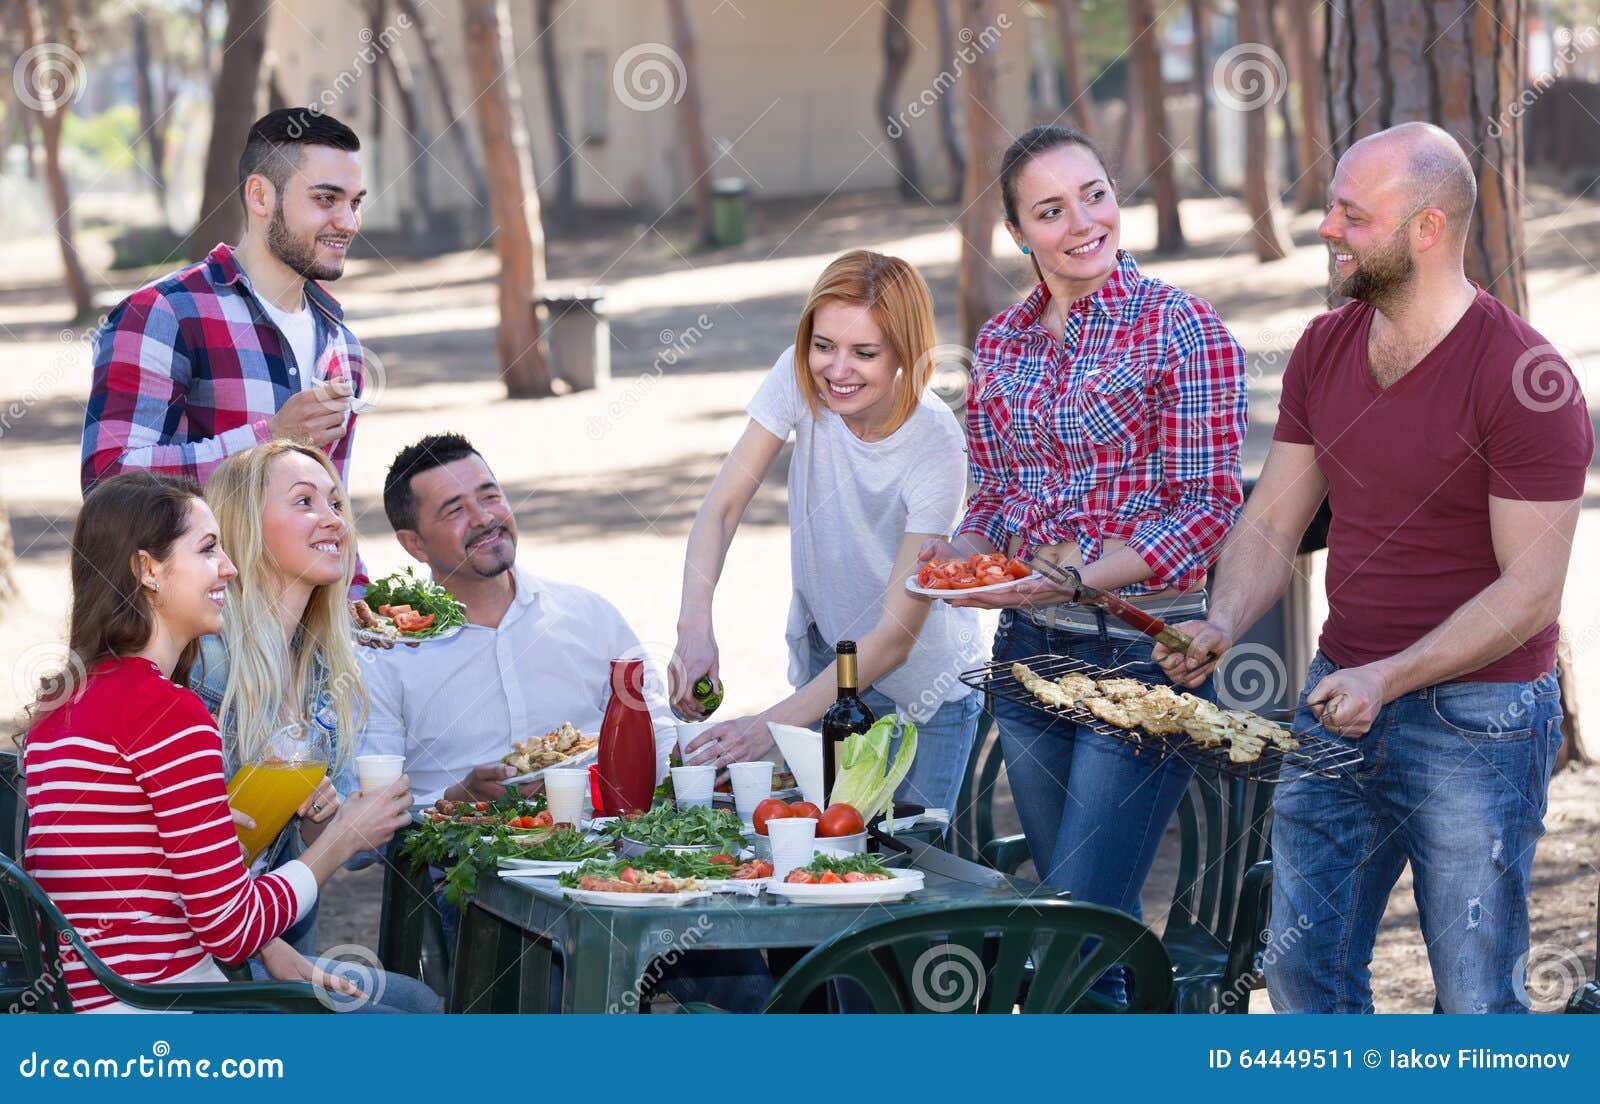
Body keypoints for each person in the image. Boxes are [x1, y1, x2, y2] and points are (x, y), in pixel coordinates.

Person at [1155, 123, 1593, 1014]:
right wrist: (1222, 621)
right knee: (1300, 972)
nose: (1326, 228)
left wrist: (1386, 678)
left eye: (1353, 216)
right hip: (1339, 696)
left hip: (1479, 717)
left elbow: (1529, 595)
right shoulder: (1325, 346)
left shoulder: (1524, 380)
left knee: (1475, 998)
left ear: (1427, 229)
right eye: (1332, 208)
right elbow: (1271, 522)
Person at [922, 125, 1247, 922]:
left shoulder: (1183, 327)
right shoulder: (1001, 342)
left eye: (1094, 196)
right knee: (1086, 923)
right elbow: (995, 498)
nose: (1083, 223)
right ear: (1017, 233)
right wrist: (956, 555)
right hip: (1027, 655)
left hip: (1143, 652)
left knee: (1078, 917)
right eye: (1051, 210)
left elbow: (1207, 508)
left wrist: (1077, 581)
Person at [21, 472, 415, 1013]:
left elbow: (126, 865)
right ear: (149, 570)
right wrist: (341, 840)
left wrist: (204, 833)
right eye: (208, 550)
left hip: (92, 1005)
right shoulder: (167, 712)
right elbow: (232, 931)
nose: (229, 568)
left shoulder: (65, 700)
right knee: (423, 1024)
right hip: (161, 1017)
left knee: (413, 1005)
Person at [670, 250, 982, 818]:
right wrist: (694, 631)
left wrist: (766, 726)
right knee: (821, 850)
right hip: (828, 661)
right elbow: (721, 509)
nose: (838, 371)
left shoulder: (937, 445)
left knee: (906, 861)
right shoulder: (798, 377)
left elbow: (894, 638)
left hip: (922, 692)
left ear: (906, 352)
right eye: (824, 346)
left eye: (865, 353)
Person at [357, 433, 675, 804]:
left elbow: (659, 734)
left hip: (601, 833)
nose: (484, 518)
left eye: (490, 496)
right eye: (455, 510)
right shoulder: (384, 654)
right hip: (453, 841)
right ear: (415, 544)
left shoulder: (588, 615)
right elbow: (369, 806)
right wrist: (455, 799)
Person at [81, 108, 370, 494]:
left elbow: (332, 507)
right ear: (260, 196)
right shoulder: (163, 314)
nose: (349, 223)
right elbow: (109, 481)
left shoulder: (342, 345)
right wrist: (270, 439)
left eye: (355, 203)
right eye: (326, 198)